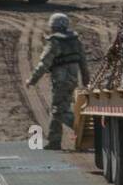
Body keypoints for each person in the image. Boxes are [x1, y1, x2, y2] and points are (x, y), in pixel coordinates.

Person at [26, 12, 90, 150]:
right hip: (72, 80)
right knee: (58, 108)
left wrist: (32, 80)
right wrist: (86, 79)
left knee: (59, 112)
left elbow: (44, 64)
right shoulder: (75, 40)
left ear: (53, 26)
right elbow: (83, 62)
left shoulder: (54, 42)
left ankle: (83, 130)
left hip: (60, 81)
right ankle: (54, 141)